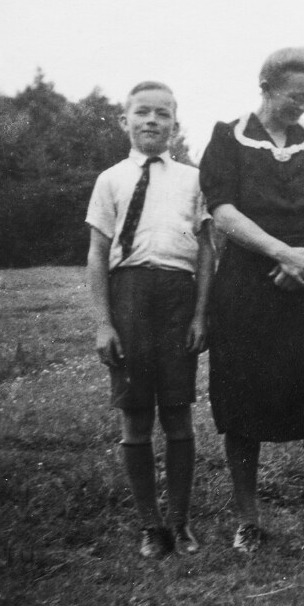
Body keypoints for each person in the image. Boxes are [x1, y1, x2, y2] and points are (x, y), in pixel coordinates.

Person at [199, 46, 304, 553]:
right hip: (249, 283)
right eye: (296, 95)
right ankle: (248, 519)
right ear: (266, 87)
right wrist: (280, 252)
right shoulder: (227, 137)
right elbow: (222, 209)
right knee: (244, 397)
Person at [86, 81, 213, 558]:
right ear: (125, 120)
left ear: (175, 125)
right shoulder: (111, 179)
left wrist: (200, 314)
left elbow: (207, 251)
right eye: (142, 112)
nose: (152, 121)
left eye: (163, 114)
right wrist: (104, 322)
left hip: (178, 295)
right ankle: (150, 526)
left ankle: (179, 522)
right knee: (136, 414)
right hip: (130, 296)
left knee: (178, 412)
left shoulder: (194, 180)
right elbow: (98, 254)